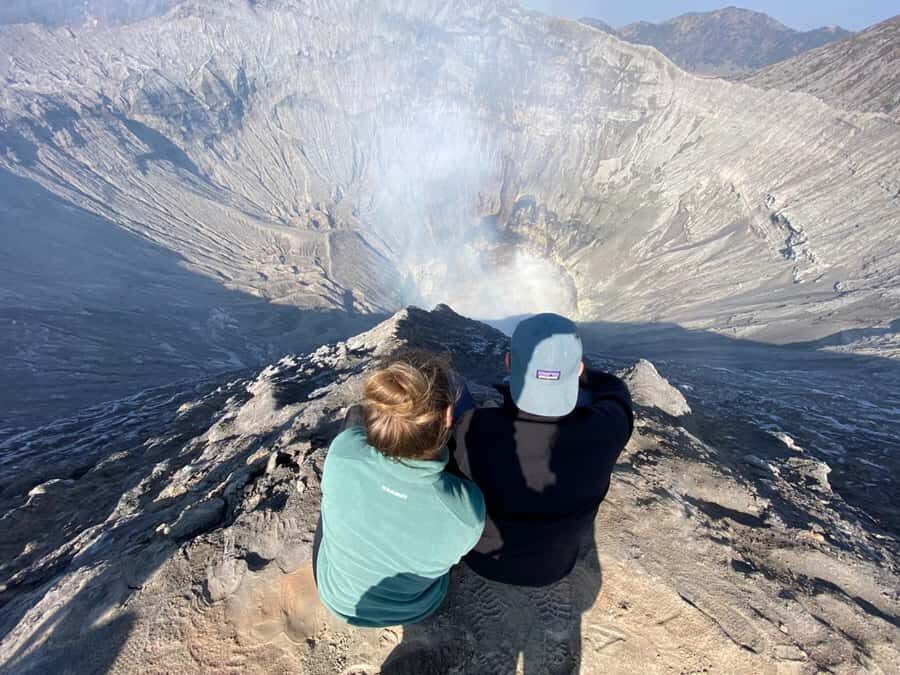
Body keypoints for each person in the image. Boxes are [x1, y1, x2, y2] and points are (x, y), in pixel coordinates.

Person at [449, 313, 634, 587]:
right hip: (556, 566)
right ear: (580, 370)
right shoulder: (608, 428)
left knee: (452, 383)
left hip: (483, 560)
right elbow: (616, 391)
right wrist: (568, 371)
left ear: (509, 362)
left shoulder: (473, 429)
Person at [314, 350, 485, 627]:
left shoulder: (343, 452)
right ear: (448, 415)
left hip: (338, 599)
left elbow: (358, 429)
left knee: (353, 418)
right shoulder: (466, 511)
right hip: (416, 609)